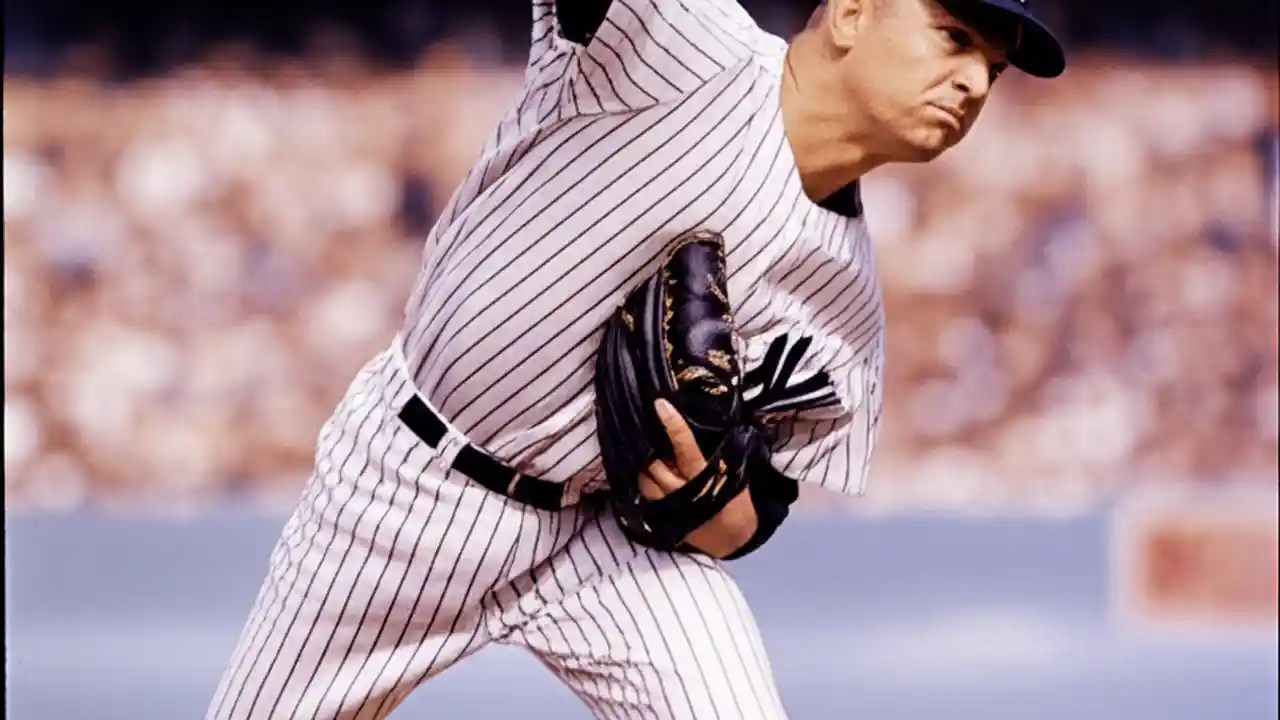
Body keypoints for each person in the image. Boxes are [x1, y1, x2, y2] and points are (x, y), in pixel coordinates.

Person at [207, 0, 1064, 717]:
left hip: (605, 541)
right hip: (407, 488)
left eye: (994, 68)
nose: (975, 83)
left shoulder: (844, 299)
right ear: (849, 12)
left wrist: (707, 499)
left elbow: (755, 514)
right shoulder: (682, 38)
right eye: (955, 38)